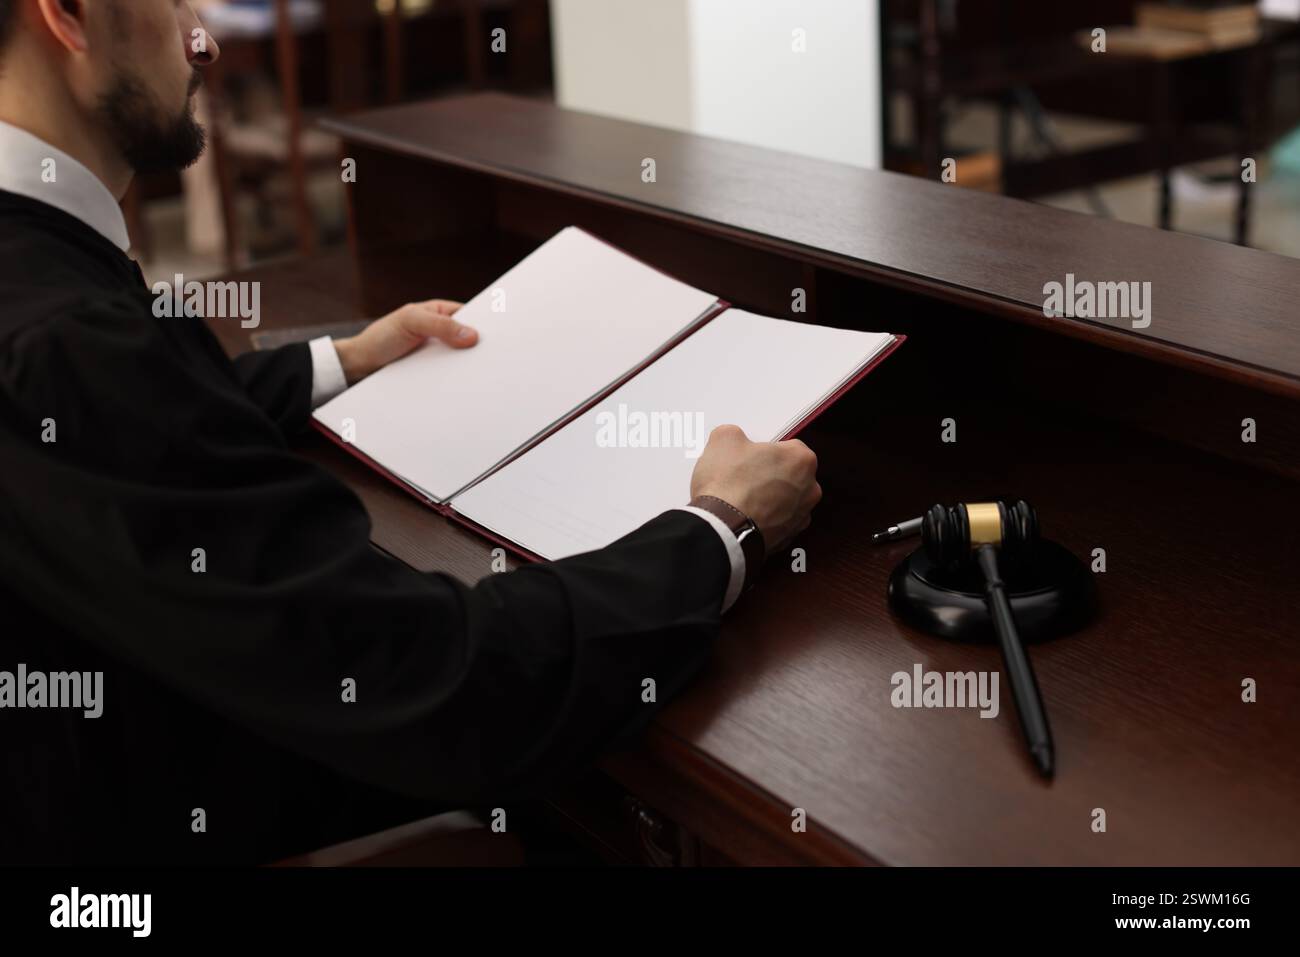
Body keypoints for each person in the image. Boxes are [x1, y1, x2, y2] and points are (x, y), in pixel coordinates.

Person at [0, 0, 821, 864]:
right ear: (69, 14)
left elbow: (123, 442)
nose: (198, 31)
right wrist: (719, 531)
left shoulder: (50, 305)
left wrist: (338, 363)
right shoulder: (72, 348)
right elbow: (440, 682)